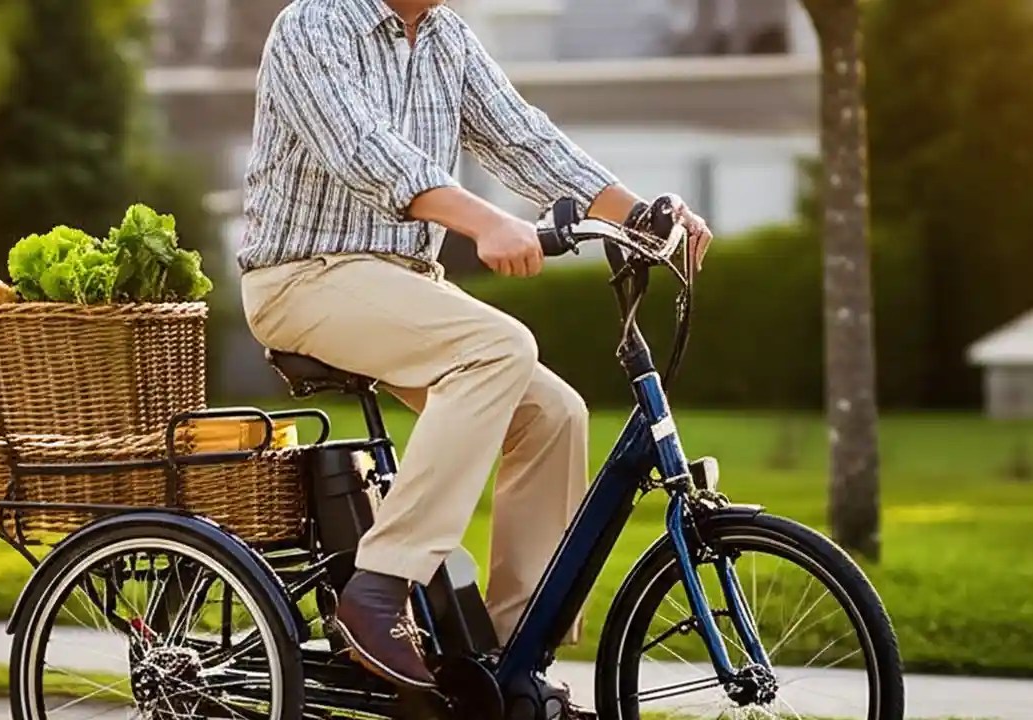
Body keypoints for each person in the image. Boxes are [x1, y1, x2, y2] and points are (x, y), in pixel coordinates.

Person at [239, 0, 713, 692]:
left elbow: (527, 141)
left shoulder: (446, 38)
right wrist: (485, 220)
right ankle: (379, 587)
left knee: (553, 414)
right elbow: (364, 149)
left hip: (404, 282)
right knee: (496, 347)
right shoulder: (314, 25)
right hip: (304, 278)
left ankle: (510, 660)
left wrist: (640, 215)